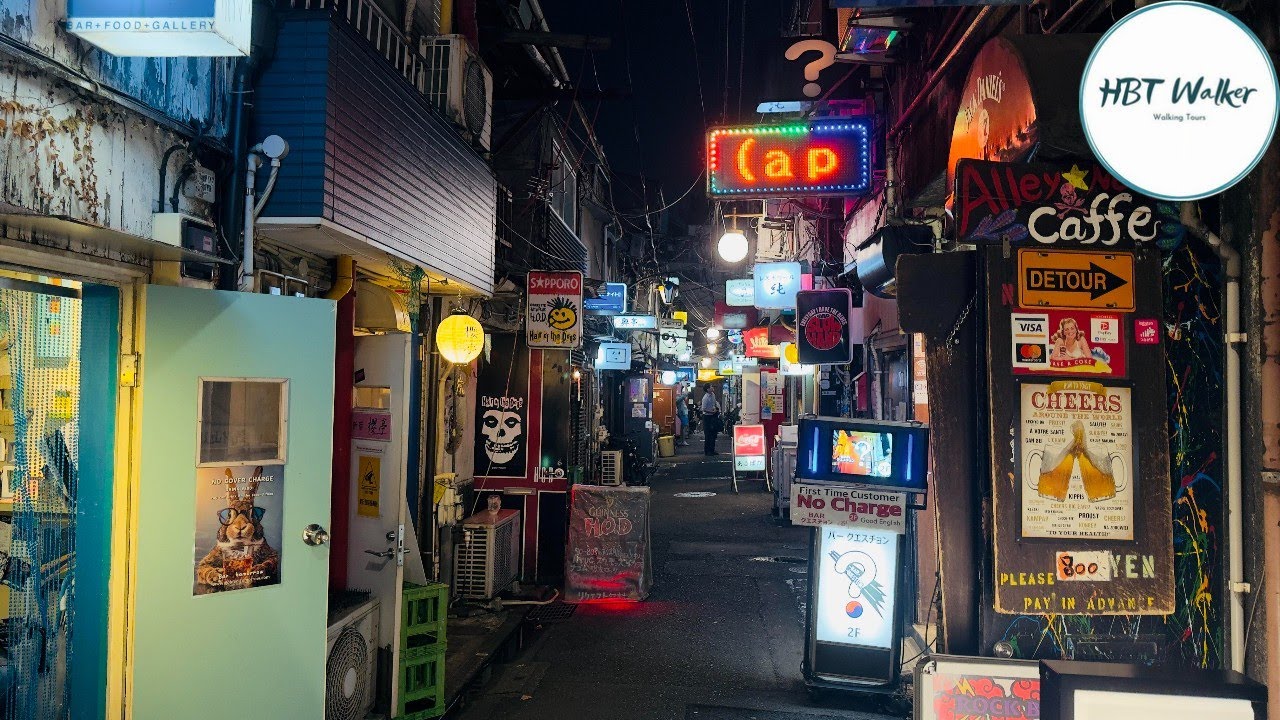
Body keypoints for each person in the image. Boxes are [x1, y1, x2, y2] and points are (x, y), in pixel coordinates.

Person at [700, 383, 721, 456]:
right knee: (708, 434)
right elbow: (703, 409)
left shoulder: (713, 395)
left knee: (713, 434)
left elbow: (714, 404)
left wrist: (715, 409)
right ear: (708, 389)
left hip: (713, 416)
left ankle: (712, 450)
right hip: (707, 417)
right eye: (711, 386)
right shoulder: (705, 398)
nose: (712, 387)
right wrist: (711, 411)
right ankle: (707, 451)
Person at [675, 382, 691, 446]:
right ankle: (683, 441)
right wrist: (686, 387)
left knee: (683, 427)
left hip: (682, 413)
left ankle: (682, 441)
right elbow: (685, 395)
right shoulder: (678, 397)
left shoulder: (678, 396)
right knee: (684, 427)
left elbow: (685, 396)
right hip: (683, 413)